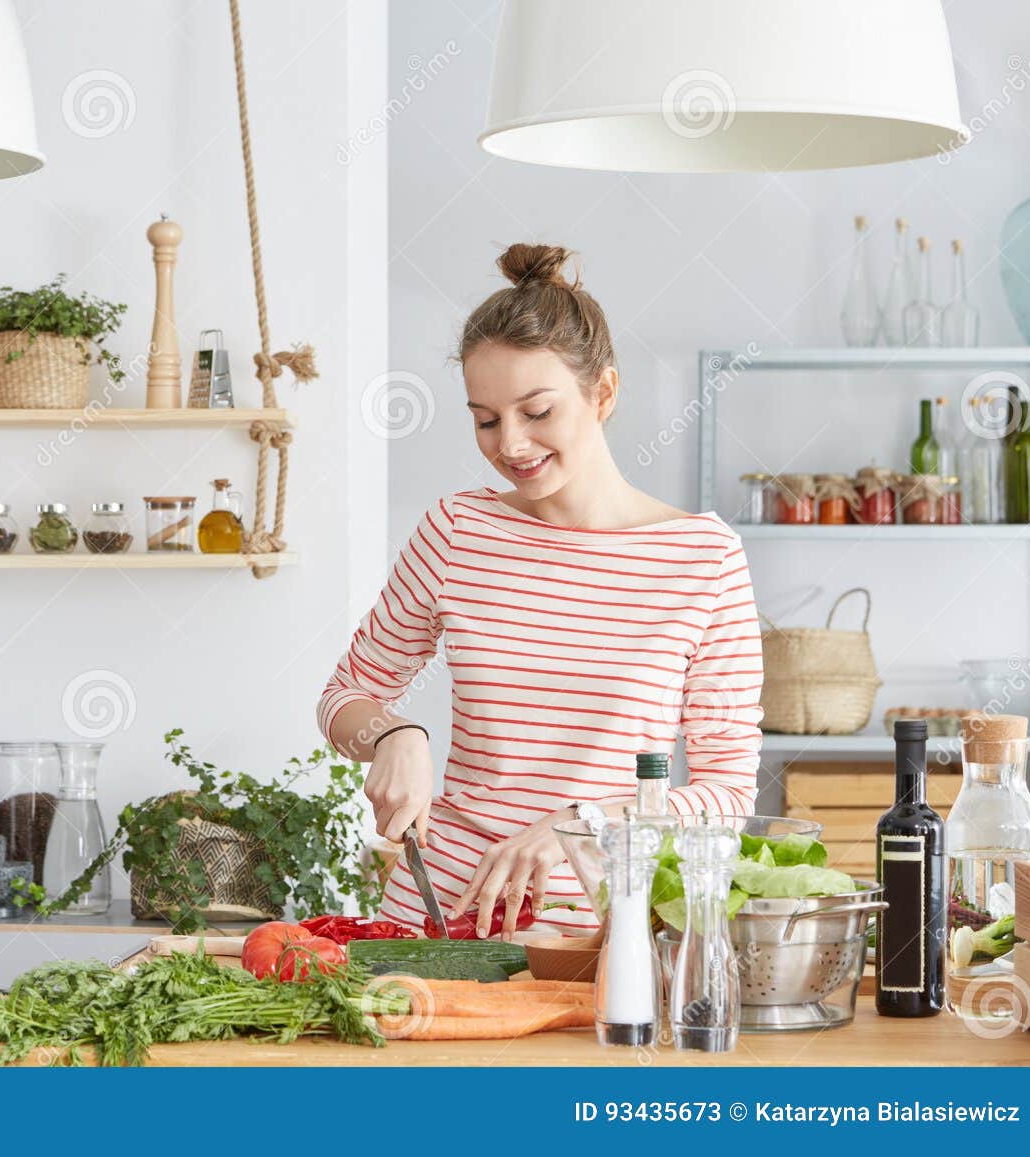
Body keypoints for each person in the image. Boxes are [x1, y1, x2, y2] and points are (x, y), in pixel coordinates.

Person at [318, 243, 762, 939]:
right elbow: (344, 697)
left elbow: (727, 794)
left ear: (604, 394)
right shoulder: (458, 530)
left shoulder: (702, 558)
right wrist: (393, 732)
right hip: (436, 921)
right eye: (487, 419)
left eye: (537, 411)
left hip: (597, 940)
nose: (512, 444)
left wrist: (581, 825)